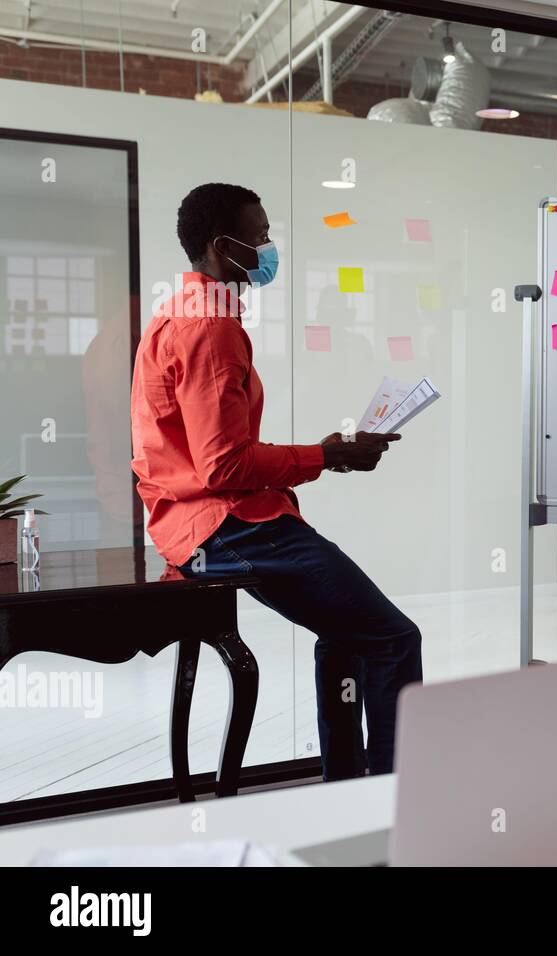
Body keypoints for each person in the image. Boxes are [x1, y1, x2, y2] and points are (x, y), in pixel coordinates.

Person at [130, 182, 422, 779]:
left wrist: (325, 453)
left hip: (206, 521)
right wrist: (329, 454)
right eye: (259, 236)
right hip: (224, 527)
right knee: (394, 638)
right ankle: (396, 806)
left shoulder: (184, 310)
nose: (268, 247)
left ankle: (345, 789)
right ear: (222, 246)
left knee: (345, 634)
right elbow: (224, 467)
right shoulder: (208, 327)